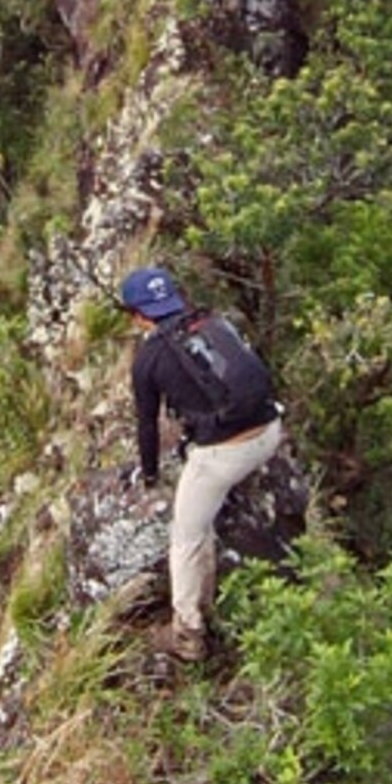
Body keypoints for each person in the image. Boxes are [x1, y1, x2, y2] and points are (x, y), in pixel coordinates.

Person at [119, 264, 284, 663]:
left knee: (187, 537)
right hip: (271, 431)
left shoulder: (147, 360)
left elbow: (147, 425)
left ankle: (189, 634)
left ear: (139, 315)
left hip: (225, 455)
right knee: (205, 499)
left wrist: (151, 476)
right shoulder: (212, 322)